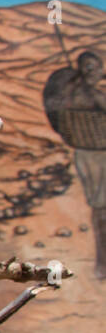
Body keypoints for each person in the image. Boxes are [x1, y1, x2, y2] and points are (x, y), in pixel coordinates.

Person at [43, 50, 106, 279]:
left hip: (87, 154)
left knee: (100, 210)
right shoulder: (90, 94)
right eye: (91, 67)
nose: (95, 72)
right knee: (101, 211)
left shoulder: (73, 93)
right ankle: (102, 263)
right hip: (98, 157)